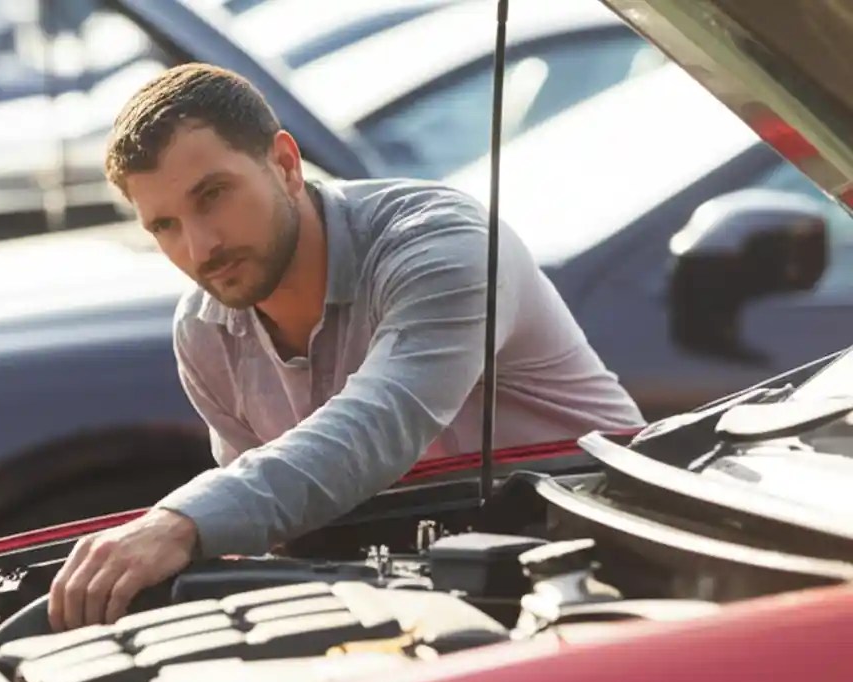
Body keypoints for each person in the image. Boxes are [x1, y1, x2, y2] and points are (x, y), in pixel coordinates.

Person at [48, 63, 645, 630]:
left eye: (213, 196)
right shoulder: (206, 332)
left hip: (628, 567)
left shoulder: (444, 245)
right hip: (435, 607)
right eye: (165, 226)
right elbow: (280, 537)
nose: (200, 248)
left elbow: (380, 421)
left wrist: (182, 520)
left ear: (284, 164)